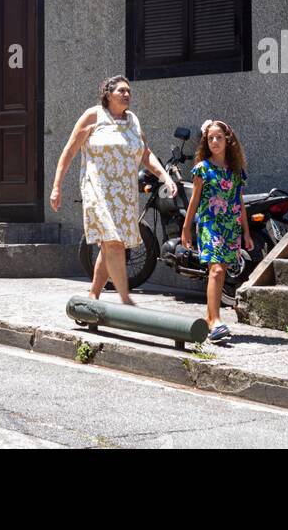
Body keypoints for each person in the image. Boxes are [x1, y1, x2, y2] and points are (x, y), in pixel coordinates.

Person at [50, 76, 176, 304]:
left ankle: (92, 297)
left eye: (129, 91)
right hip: (97, 189)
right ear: (108, 94)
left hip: (124, 194)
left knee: (110, 245)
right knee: (114, 243)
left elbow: (145, 154)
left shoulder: (133, 121)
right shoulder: (93, 116)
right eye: (121, 91)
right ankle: (126, 298)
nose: (127, 94)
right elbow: (69, 151)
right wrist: (57, 186)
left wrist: (164, 176)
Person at [182, 118, 252, 343]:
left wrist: (246, 233)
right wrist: (187, 229)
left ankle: (211, 318)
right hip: (210, 225)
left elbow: (239, 202)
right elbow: (193, 201)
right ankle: (214, 322)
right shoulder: (202, 169)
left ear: (227, 140)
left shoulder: (236, 171)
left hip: (231, 226)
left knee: (221, 271)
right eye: (210, 138)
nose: (214, 141)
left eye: (219, 137)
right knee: (216, 271)